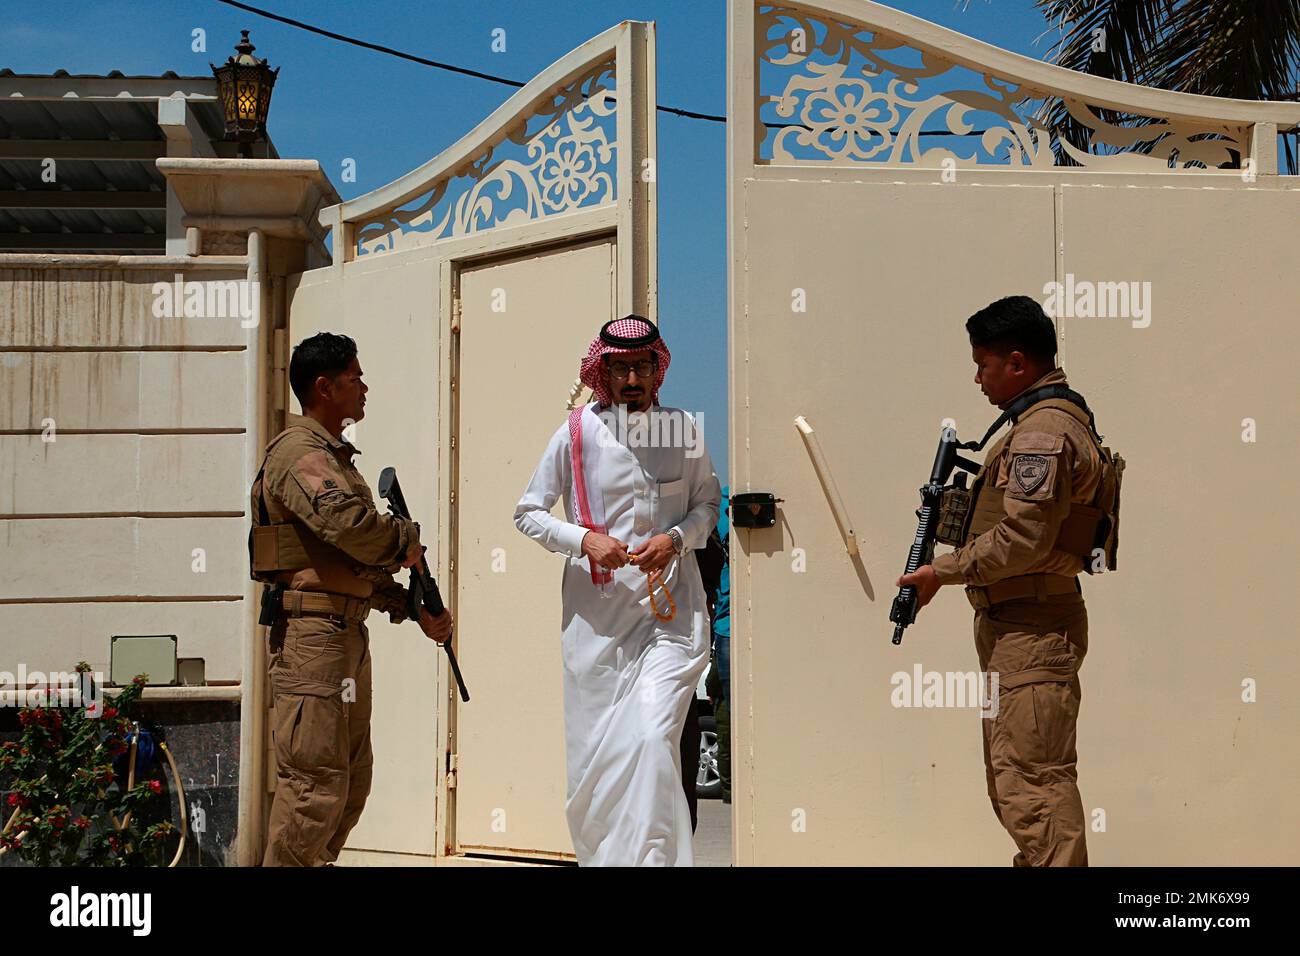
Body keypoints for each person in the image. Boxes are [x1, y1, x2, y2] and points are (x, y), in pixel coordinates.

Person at [897, 296, 1120, 867]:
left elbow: (1026, 539)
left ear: (1018, 363)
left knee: (1034, 787)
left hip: (1033, 627)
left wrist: (939, 573)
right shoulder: (1041, 422)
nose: (978, 379)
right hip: (1017, 626)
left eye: (984, 365)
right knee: (1016, 783)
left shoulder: (1042, 433)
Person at [514, 315, 721, 866]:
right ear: (602, 372)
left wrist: (676, 539)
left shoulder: (683, 430)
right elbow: (528, 514)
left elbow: (708, 505)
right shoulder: (577, 432)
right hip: (596, 627)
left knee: (654, 741)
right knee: (597, 765)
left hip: (668, 622)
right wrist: (584, 540)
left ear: (658, 370)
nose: (632, 378)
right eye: (621, 368)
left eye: (641, 367)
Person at [249, 332, 452, 867]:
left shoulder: (333, 459)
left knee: (350, 784)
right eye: (354, 378)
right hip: (311, 639)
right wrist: (405, 540)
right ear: (324, 386)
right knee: (314, 787)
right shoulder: (298, 454)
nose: (364, 388)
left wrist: (411, 604)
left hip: (343, 635)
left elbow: (348, 561)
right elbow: (350, 527)